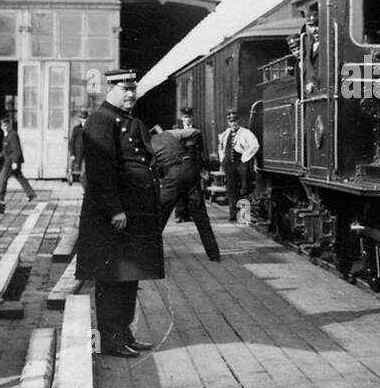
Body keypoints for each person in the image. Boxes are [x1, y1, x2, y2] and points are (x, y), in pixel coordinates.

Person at [76, 69, 164, 358]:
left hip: (133, 214)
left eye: (133, 90)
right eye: (125, 89)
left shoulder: (128, 120)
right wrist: (114, 209)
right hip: (114, 215)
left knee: (129, 276)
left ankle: (124, 334)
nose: (131, 95)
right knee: (111, 278)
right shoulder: (101, 120)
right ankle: (110, 340)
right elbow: (101, 171)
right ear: (110, 89)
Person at [153, 106, 220, 260]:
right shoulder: (171, 133)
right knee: (201, 215)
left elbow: (154, 171)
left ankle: (151, 255)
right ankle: (214, 254)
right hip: (190, 169)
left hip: (174, 174)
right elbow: (195, 132)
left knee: (160, 214)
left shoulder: (148, 144)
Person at [217, 108, 260, 223]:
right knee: (231, 188)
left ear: (238, 120)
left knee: (243, 188)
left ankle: (244, 216)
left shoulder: (246, 133)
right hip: (229, 165)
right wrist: (222, 159)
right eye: (231, 121)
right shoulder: (225, 133)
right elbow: (220, 147)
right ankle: (233, 214)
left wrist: (245, 157)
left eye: (235, 120)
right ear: (228, 122)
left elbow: (254, 146)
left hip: (241, 164)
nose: (233, 123)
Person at [0, 115, 37, 201]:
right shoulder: (5, 136)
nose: (5, 127)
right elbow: (6, 149)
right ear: (1, 127)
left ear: (9, 125)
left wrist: (15, 162)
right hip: (9, 160)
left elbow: (16, 149)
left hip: (11, 161)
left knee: (2, 178)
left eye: (7, 125)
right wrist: (0, 154)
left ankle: (0, 197)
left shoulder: (13, 134)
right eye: (3, 125)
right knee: (20, 177)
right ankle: (31, 194)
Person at [67, 110, 88, 184]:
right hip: (78, 151)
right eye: (82, 118)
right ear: (80, 119)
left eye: (85, 118)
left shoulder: (90, 128)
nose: (84, 120)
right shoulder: (76, 129)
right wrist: (72, 154)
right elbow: (72, 142)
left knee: (85, 167)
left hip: (87, 151)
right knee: (76, 166)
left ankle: (84, 180)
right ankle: (73, 177)